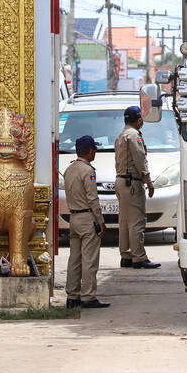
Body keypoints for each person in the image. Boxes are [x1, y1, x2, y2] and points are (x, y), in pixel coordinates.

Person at [63, 135, 110, 309]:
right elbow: (93, 199)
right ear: (90, 151)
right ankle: (88, 296)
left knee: (74, 259)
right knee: (89, 259)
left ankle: (72, 295)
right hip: (87, 218)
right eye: (94, 150)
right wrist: (101, 221)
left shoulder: (69, 170)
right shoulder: (88, 171)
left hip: (73, 217)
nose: (95, 153)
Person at [114, 105, 160, 269]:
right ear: (139, 120)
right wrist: (148, 181)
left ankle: (126, 256)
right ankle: (139, 257)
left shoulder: (121, 135)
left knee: (125, 221)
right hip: (132, 182)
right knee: (137, 221)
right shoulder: (134, 136)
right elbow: (140, 159)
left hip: (121, 181)